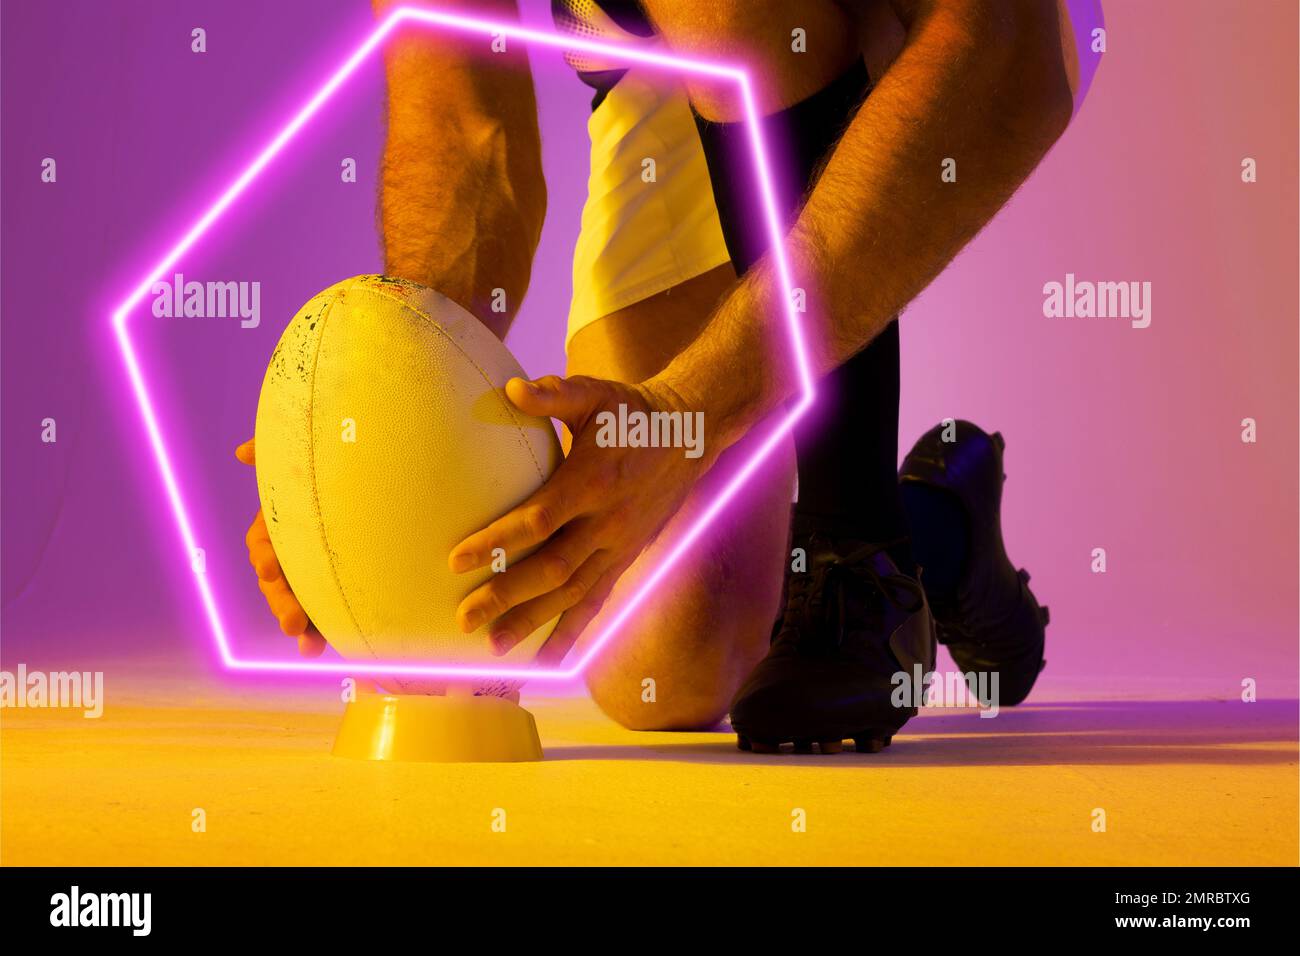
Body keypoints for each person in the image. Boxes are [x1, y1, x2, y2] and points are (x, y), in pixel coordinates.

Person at [240, 0, 1077, 752]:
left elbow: (1010, 53)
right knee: (665, 653)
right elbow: (466, 129)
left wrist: (685, 413)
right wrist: (388, 449)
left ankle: (858, 550)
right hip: (675, 68)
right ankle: (944, 532)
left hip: (948, 29)